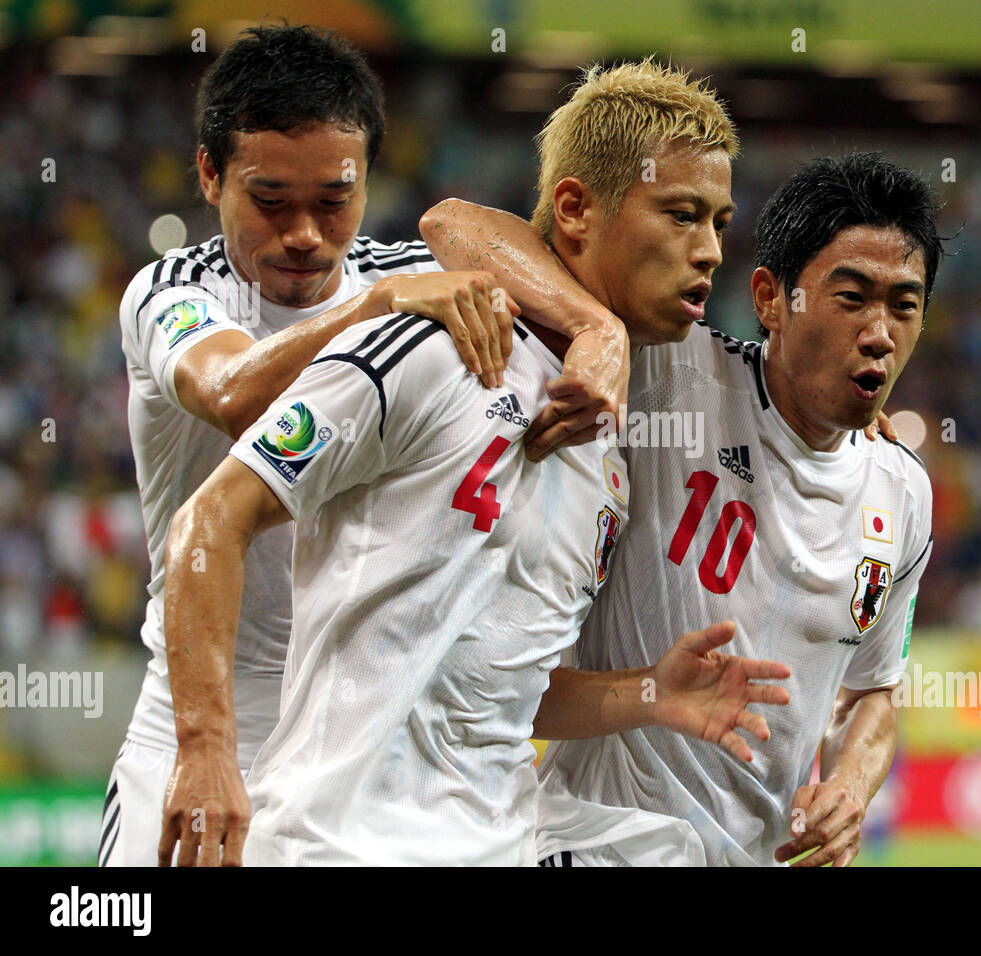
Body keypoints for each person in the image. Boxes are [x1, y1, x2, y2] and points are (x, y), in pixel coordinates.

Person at [161, 59, 789, 866]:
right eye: (681, 214)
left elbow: (507, 696)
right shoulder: (438, 346)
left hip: (496, 842)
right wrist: (206, 748)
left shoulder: (607, 452)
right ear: (573, 209)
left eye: (719, 222)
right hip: (337, 842)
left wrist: (650, 694)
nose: (709, 251)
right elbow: (209, 520)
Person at [103, 23, 626, 868]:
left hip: (351, 744)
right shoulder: (176, 291)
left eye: (334, 200)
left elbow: (460, 221)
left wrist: (601, 331)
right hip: (197, 724)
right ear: (209, 174)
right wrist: (375, 307)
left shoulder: (401, 267)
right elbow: (232, 395)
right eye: (270, 200)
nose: (304, 233)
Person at [423, 150, 939, 866]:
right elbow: (454, 225)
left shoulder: (904, 492)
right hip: (591, 842)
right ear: (769, 300)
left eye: (904, 305)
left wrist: (849, 788)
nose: (880, 331)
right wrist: (597, 331)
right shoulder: (673, 370)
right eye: (851, 297)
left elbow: (873, 692)